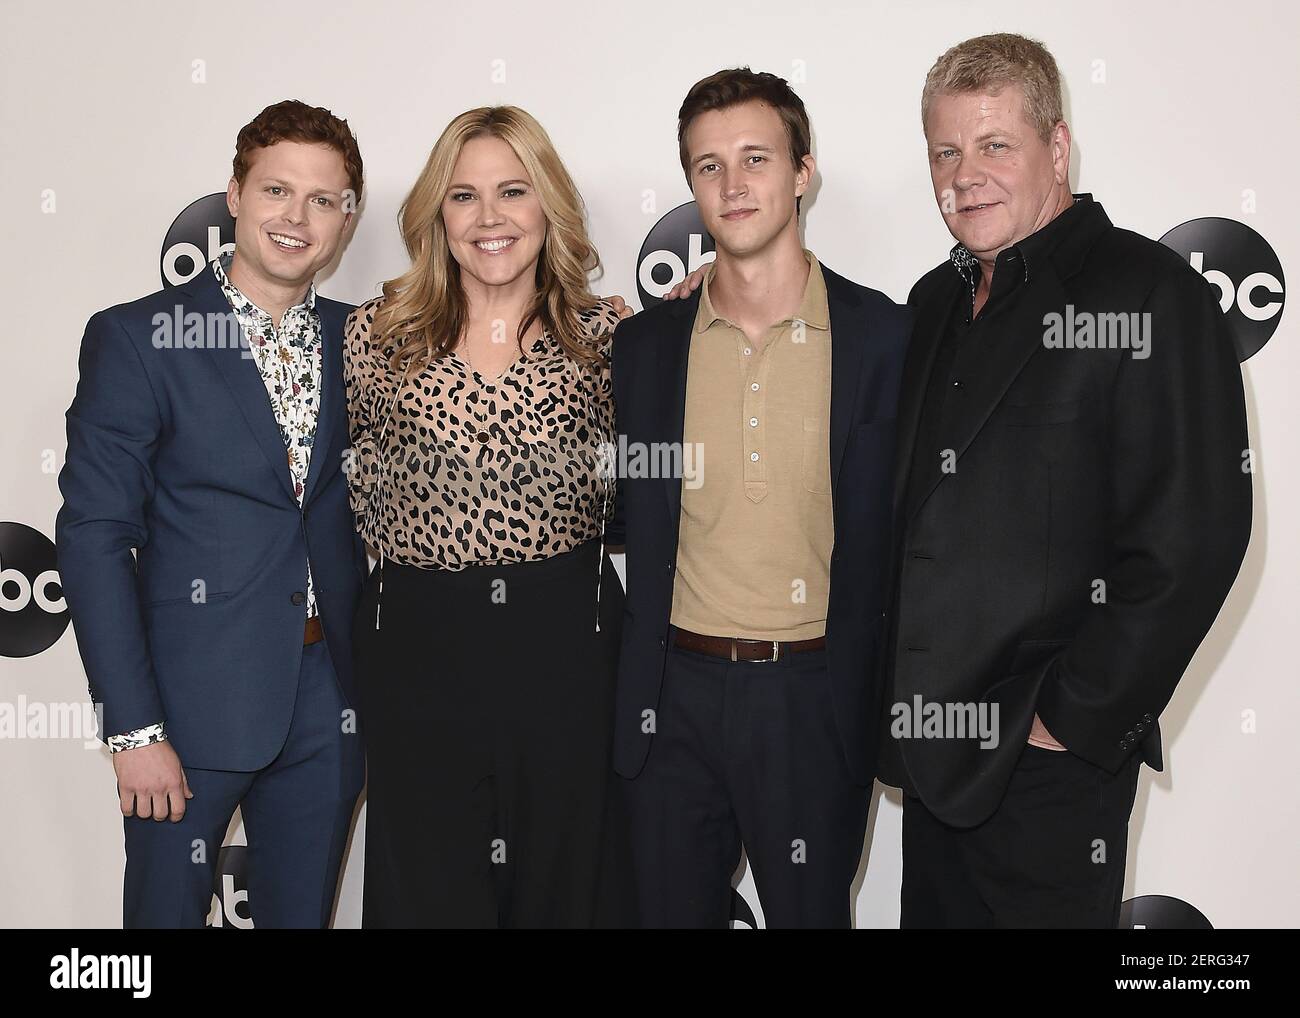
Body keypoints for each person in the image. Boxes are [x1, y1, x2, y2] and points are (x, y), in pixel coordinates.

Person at [879, 33, 1252, 927]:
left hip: (1045, 768)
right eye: (946, 151)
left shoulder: (1152, 294)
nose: (965, 175)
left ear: (1057, 148)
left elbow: (1193, 539)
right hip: (933, 760)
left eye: (994, 145)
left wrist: (1069, 723)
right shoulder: (932, 301)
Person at [56, 100, 368, 927]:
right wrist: (132, 731)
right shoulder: (138, 338)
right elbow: (92, 540)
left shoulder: (365, 339)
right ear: (233, 195)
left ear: (347, 218)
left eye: (323, 200)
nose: (296, 218)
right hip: (184, 712)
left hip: (328, 702)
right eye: (276, 190)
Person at [612, 68, 910, 927]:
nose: (732, 185)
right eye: (708, 166)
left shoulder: (885, 335)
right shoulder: (645, 346)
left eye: (755, 158)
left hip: (814, 698)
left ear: (802, 172)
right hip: (670, 700)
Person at [344, 106, 636, 927]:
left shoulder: (608, 334)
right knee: (430, 887)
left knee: (567, 881)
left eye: (513, 191)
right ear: (438, 212)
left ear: (549, 204)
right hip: (417, 646)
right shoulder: (376, 334)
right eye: (464, 196)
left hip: (567, 644)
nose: (490, 218)